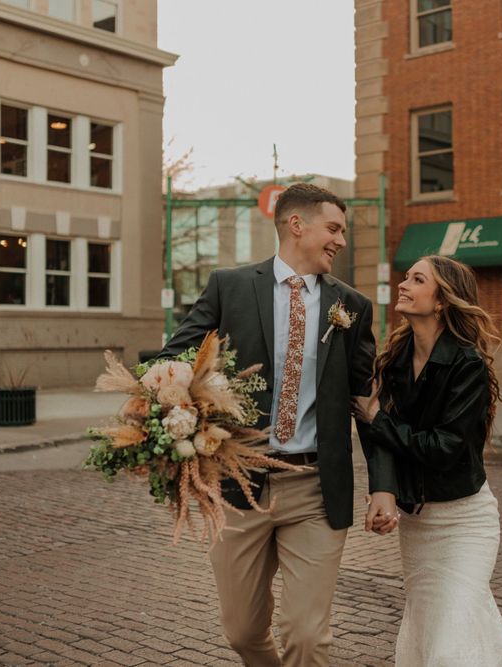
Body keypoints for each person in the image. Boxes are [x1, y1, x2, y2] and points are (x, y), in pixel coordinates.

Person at [159, 183, 397, 667]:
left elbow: (367, 405)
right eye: (334, 229)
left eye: (344, 232)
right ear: (296, 225)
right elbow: (172, 359)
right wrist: (188, 414)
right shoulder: (230, 286)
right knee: (243, 631)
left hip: (315, 487)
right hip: (240, 486)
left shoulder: (351, 306)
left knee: (307, 637)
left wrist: (383, 485)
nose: (341, 241)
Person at [353, 255, 502, 666]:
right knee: (432, 634)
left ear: (442, 300)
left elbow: (444, 448)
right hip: (420, 525)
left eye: (417, 279)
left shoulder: (467, 365)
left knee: (448, 645)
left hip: (466, 522)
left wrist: (379, 420)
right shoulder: (395, 358)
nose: (404, 284)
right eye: (406, 277)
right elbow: (380, 436)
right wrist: (382, 490)